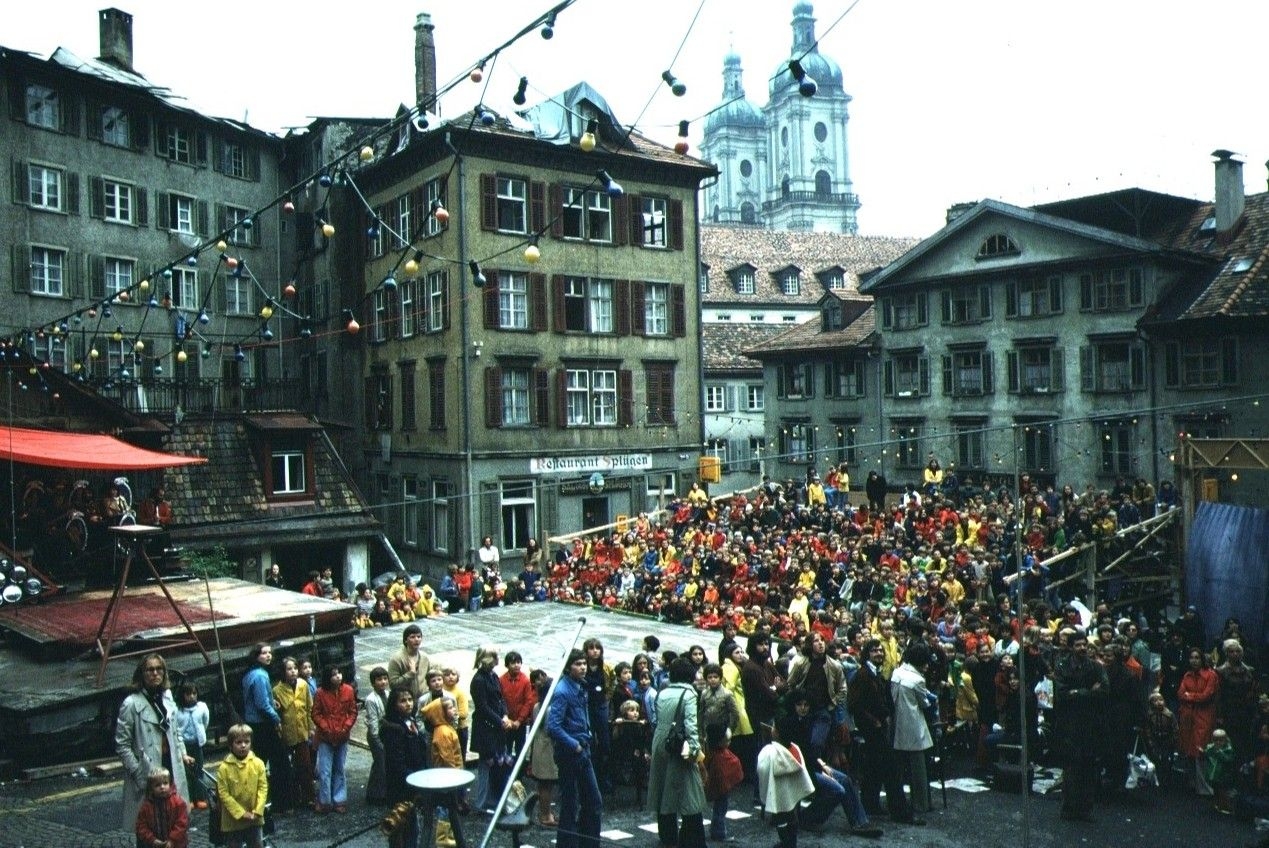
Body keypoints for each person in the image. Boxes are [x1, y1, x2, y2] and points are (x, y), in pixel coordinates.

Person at [116, 654, 191, 832]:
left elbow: (175, 730)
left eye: (159, 669)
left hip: (171, 765)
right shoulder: (131, 704)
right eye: (150, 670)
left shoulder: (167, 697)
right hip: (148, 770)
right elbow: (122, 744)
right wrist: (138, 772)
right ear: (141, 673)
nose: (155, 673)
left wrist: (183, 753)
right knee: (149, 828)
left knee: (173, 824)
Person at [846, 639, 917, 824]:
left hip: (877, 726)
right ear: (867, 654)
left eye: (880, 650)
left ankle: (870, 804)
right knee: (891, 769)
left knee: (874, 767)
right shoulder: (863, 675)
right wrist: (874, 721)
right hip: (872, 728)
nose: (878, 653)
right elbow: (854, 704)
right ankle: (900, 812)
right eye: (874, 651)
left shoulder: (875, 673)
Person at [648, 656, 707, 848]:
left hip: (661, 742)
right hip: (680, 747)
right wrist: (697, 754)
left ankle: (668, 837)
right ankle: (692, 841)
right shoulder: (689, 695)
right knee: (691, 795)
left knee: (663, 790)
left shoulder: (662, 692)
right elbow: (691, 726)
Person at [548, 648, 603, 848]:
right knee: (570, 805)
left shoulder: (581, 685)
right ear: (568, 667)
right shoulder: (563, 691)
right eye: (577, 664)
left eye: (584, 664)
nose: (582, 668)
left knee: (593, 801)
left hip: (584, 748)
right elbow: (553, 726)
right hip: (570, 753)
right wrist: (575, 745)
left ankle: (588, 844)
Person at [1053, 631, 1107, 822]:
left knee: (1089, 766)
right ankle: (1069, 808)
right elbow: (1062, 695)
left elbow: (1103, 692)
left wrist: (1077, 692)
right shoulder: (1062, 666)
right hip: (1070, 723)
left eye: (1084, 644)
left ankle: (1085, 808)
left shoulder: (1095, 667)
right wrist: (1086, 692)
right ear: (1071, 647)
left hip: (1091, 723)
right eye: (1078, 645)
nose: (1082, 648)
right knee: (1072, 766)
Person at [240, 643, 289, 815]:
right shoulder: (261, 676)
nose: (268, 656)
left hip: (254, 724)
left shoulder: (249, 674)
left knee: (259, 762)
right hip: (263, 725)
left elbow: (259, 700)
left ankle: (254, 802)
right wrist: (276, 719)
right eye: (264, 653)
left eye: (269, 653)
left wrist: (271, 702)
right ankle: (281, 803)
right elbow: (262, 705)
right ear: (256, 656)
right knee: (280, 763)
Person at [889, 643, 935, 817]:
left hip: (897, 722)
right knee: (918, 769)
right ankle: (921, 803)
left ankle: (898, 801)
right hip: (914, 725)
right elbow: (924, 703)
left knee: (898, 767)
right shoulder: (918, 680)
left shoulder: (897, 672)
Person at [382, 685, 429, 848]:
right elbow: (397, 764)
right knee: (400, 830)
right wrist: (415, 781)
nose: (408, 704)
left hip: (414, 781)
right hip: (401, 785)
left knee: (412, 828)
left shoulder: (411, 721)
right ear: (394, 705)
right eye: (403, 701)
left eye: (410, 700)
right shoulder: (393, 729)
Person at [756, 717, 815, 848]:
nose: (771, 728)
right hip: (791, 792)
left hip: (778, 791)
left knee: (780, 820)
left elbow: (762, 768)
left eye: (773, 727)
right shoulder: (795, 748)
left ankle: (786, 843)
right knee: (792, 818)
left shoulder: (769, 752)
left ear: (777, 732)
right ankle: (792, 843)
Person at [471, 646, 512, 812]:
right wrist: (499, 720)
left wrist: (506, 715)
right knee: (486, 764)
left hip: (496, 726)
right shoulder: (479, 680)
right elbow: (482, 707)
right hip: (486, 729)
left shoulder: (493, 676)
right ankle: (481, 802)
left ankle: (494, 799)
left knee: (498, 763)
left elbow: (500, 699)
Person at [312, 665, 357, 813]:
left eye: (339, 673)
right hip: (326, 737)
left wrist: (346, 727)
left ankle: (339, 800)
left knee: (339, 769)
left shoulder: (348, 690)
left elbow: (352, 712)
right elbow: (316, 713)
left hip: (342, 735)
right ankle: (325, 801)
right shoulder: (320, 693)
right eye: (334, 675)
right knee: (325, 771)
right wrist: (325, 727)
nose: (338, 676)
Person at [217, 724, 268, 848]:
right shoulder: (224, 768)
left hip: (254, 817)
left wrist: (258, 810)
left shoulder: (258, 764)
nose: (243, 745)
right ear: (230, 745)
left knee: (256, 844)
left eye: (247, 741)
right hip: (233, 820)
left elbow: (263, 788)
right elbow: (223, 794)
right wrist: (240, 813)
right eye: (238, 742)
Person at [1178, 646, 1219, 796]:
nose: (1194, 661)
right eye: (1192, 658)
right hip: (1188, 716)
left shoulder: (1211, 675)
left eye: (1197, 658)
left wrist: (1190, 696)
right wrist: (1194, 696)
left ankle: (1205, 787)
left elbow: (1206, 696)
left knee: (1201, 750)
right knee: (1188, 749)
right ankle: (1191, 783)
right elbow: (1181, 693)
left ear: (1202, 659)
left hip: (1204, 716)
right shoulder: (1187, 675)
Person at [528, 669, 560, 827]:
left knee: (543, 784)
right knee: (547, 783)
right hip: (548, 748)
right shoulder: (551, 709)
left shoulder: (537, 706)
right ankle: (545, 815)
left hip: (539, 746)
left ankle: (545, 812)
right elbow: (551, 730)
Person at [135, 766, 190, 848]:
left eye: (165, 783)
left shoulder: (178, 802)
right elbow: (141, 826)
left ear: (170, 783)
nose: (162, 787)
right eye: (157, 785)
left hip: (176, 844)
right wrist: (152, 840)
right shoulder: (146, 806)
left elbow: (182, 823)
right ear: (151, 788)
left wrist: (172, 840)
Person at [175, 682, 210, 810]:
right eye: (188, 694)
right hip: (184, 746)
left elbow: (205, 721)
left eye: (194, 693)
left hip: (197, 744)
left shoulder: (202, 707)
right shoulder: (178, 710)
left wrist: (201, 735)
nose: (192, 697)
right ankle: (188, 799)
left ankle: (200, 798)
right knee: (186, 774)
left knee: (198, 771)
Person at [363, 666, 392, 805]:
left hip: (385, 733)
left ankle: (381, 792)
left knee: (382, 764)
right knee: (380, 764)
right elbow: (373, 721)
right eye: (379, 679)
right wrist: (377, 739)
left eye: (385, 679)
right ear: (373, 682)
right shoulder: (371, 699)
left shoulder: (388, 693)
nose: (383, 682)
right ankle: (375, 795)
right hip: (377, 735)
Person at [501, 650, 537, 757]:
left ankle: (519, 772)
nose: (517, 665)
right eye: (513, 663)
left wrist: (519, 720)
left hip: (520, 723)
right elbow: (500, 699)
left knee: (520, 749)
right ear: (507, 665)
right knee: (505, 748)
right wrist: (505, 717)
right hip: (506, 722)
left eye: (518, 662)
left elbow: (528, 701)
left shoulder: (525, 680)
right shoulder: (501, 680)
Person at [388, 623, 433, 705]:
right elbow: (393, 685)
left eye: (419, 637)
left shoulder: (424, 657)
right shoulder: (396, 659)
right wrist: (410, 674)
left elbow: (429, 678)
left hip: (424, 700)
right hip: (405, 702)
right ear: (405, 640)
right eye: (412, 637)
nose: (416, 639)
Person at [1204, 728, 1237, 813]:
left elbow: (1229, 759)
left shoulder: (1228, 750)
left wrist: (1220, 753)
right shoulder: (1211, 747)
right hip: (1213, 773)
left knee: (1222, 791)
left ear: (1225, 740)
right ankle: (1218, 804)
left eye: (1221, 740)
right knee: (1215, 790)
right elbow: (1207, 754)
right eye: (1216, 740)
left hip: (1223, 774)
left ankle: (1226, 806)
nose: (1218, 742)